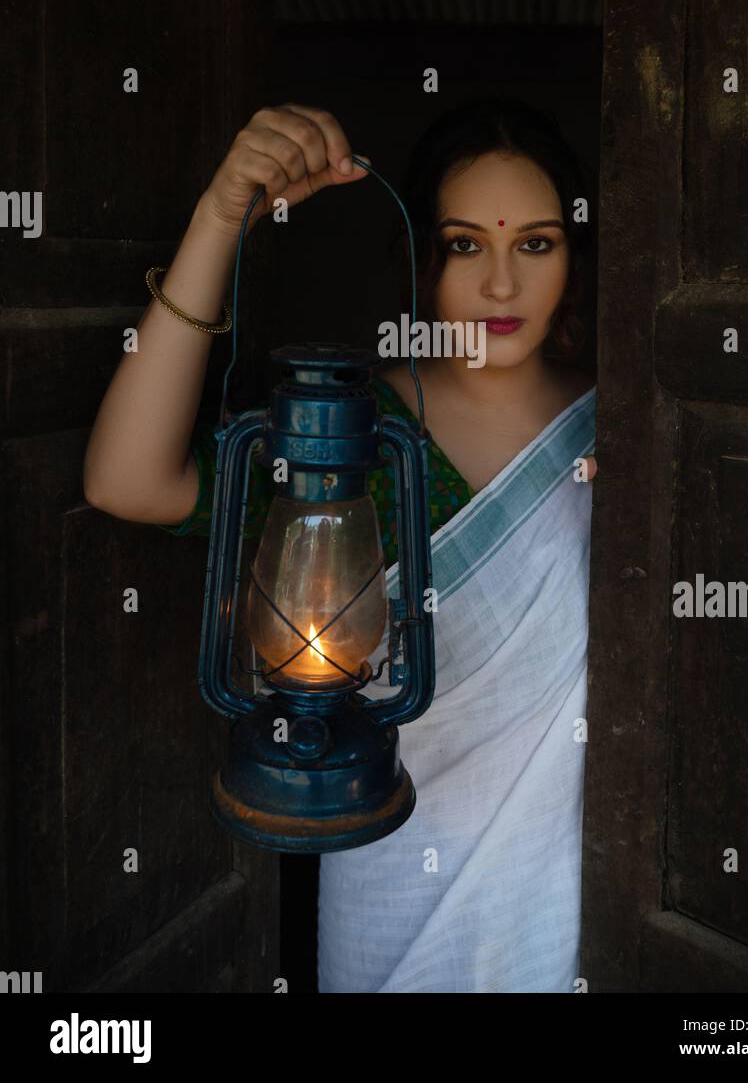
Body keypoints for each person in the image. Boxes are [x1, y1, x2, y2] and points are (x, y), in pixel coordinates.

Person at [83, 95, 598, 993]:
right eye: (467, 244)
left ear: (575, 258)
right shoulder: (356, 433)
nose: (503, 286)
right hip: (396, 875)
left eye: (537, 244)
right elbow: (127, 481)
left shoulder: (629, 423)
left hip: (575, 887)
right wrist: (221, 217)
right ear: (421, 260)